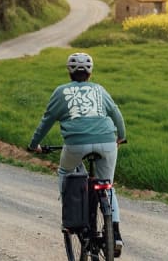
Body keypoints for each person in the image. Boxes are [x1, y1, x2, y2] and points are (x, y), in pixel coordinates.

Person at [29, 51, 127, 254]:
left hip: (75, 145)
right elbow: (116, 113)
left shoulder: (61, 92)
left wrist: (34, 145)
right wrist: (121, 137)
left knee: (65, 172)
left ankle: (70, 218)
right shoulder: (99, 89)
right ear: (90, 73)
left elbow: (46, 121)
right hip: (107, 141)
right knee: (107, 185)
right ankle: (115, 234)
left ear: (69, 72)